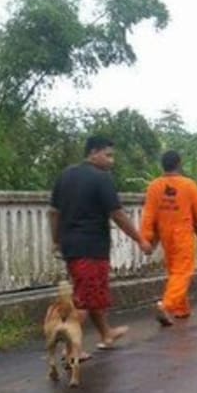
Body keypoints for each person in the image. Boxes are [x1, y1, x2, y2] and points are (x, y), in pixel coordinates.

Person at [51, 135, 152, 359]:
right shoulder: (101, 178)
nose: (111, 161)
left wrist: (56, 240)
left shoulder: (66, 175)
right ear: (93, 153)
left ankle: (106, 333)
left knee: (90, 292)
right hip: (91, 247)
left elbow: (54, 212)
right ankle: (70, 350)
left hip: (71, 245)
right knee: (84, 299)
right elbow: (117, 214)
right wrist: (140, 240)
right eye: (108, 155)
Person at [140, 150, 197, 326]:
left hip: (165, 234)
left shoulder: (154, 186)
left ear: (162, 165)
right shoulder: (189, 185)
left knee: (175, 271)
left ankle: (181, 309)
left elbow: (149, 215)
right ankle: (166, 305)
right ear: (179, 164)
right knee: (183, 271)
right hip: (182, 233)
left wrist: (147, 238)